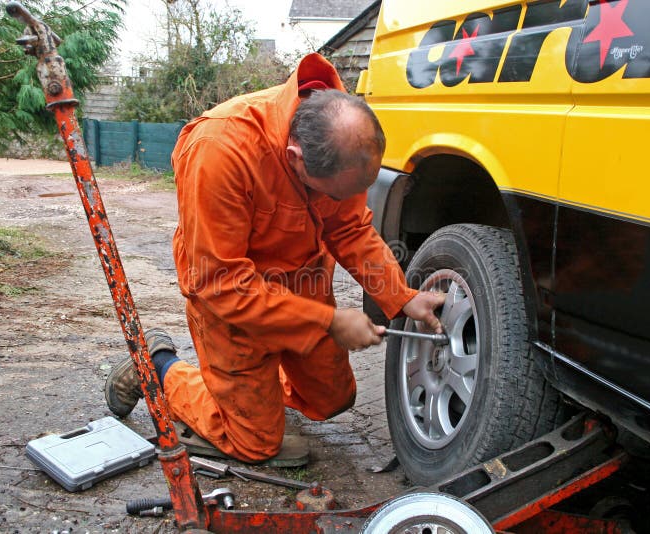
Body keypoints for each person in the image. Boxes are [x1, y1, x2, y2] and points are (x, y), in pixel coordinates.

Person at [105, 53, 444, 465]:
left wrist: (402, 296)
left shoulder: (345, 141)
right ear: (296, 158)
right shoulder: (220, 151)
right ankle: (158, 365)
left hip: (301, 290)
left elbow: (350, 228)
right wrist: (329, 322)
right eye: (334, 194)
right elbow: (219, 281)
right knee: (255, 443)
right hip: (232, 306)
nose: (340, 201)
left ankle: (254, 389)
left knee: (334, 399)